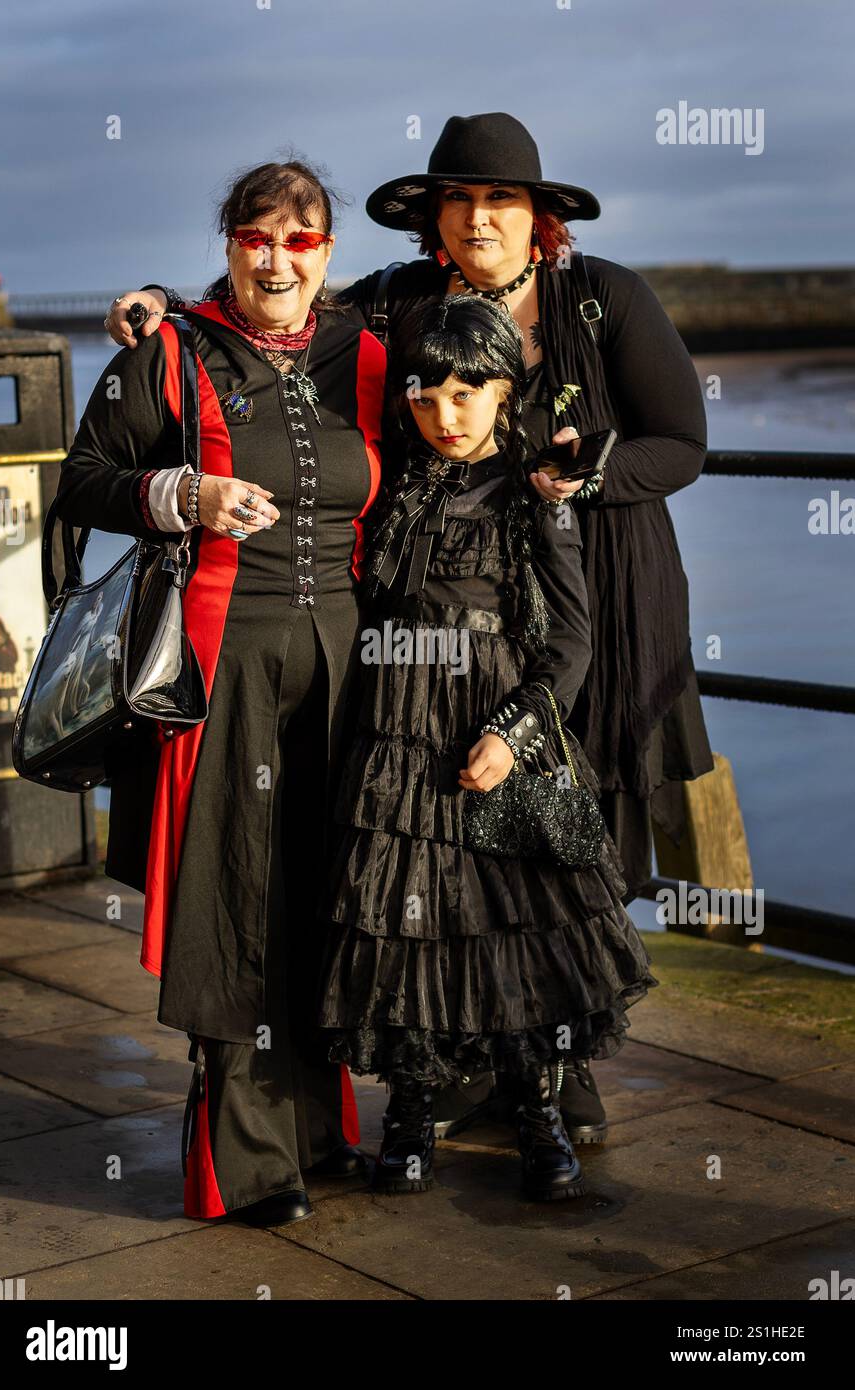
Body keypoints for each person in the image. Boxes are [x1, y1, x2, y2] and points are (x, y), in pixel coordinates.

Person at [105, 110, 712, 1148]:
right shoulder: (400, 300)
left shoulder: (603, 297)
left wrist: (576, 477)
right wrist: (168, 303)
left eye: (502, 200)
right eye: (461, 200)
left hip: (595, 575)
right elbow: (277, 301)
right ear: (434, 218)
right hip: (452, 599)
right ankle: (466, 1058)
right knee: (446, 841)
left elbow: (683, 440)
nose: (480, 217)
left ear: (539, 218)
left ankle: (557, 1076)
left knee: (569, 829)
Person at [54, 159, 388, 1229]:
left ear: (328, 253)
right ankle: (245, 1164)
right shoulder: (170, 350)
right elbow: (83, 481)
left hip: (344, 670)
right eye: (258, 237)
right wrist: (184, 492)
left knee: (323, 897)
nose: (277, 258)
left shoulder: (367, 351)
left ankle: (323, 1131)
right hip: (218, 666)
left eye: (300, 240)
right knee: (233, 904)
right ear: (229, 244)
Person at [317, 293, 657, 1201]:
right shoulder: (396, 483)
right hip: (398, 740)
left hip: (498, 728)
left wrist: (511, 736)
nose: (445, 414)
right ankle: (412, 1116)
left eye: (468, 394)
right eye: (426, 396)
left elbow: (571, 644)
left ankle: (537, 1117)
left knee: (514, 932)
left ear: (506, 392)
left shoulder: (531, 494)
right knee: (411, 931)